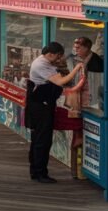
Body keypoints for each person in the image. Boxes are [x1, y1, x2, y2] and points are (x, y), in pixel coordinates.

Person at [26, 42, 83, 183]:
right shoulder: (41, 65)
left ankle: (37, 171)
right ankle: (40, 173)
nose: (59, 59)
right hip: (40, 108)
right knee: (42, 141)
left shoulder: (44, 62)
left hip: (42, 105)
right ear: (50, 54)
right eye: (58, 56)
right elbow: (61, 81)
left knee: (38, 140)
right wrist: (77, 69)